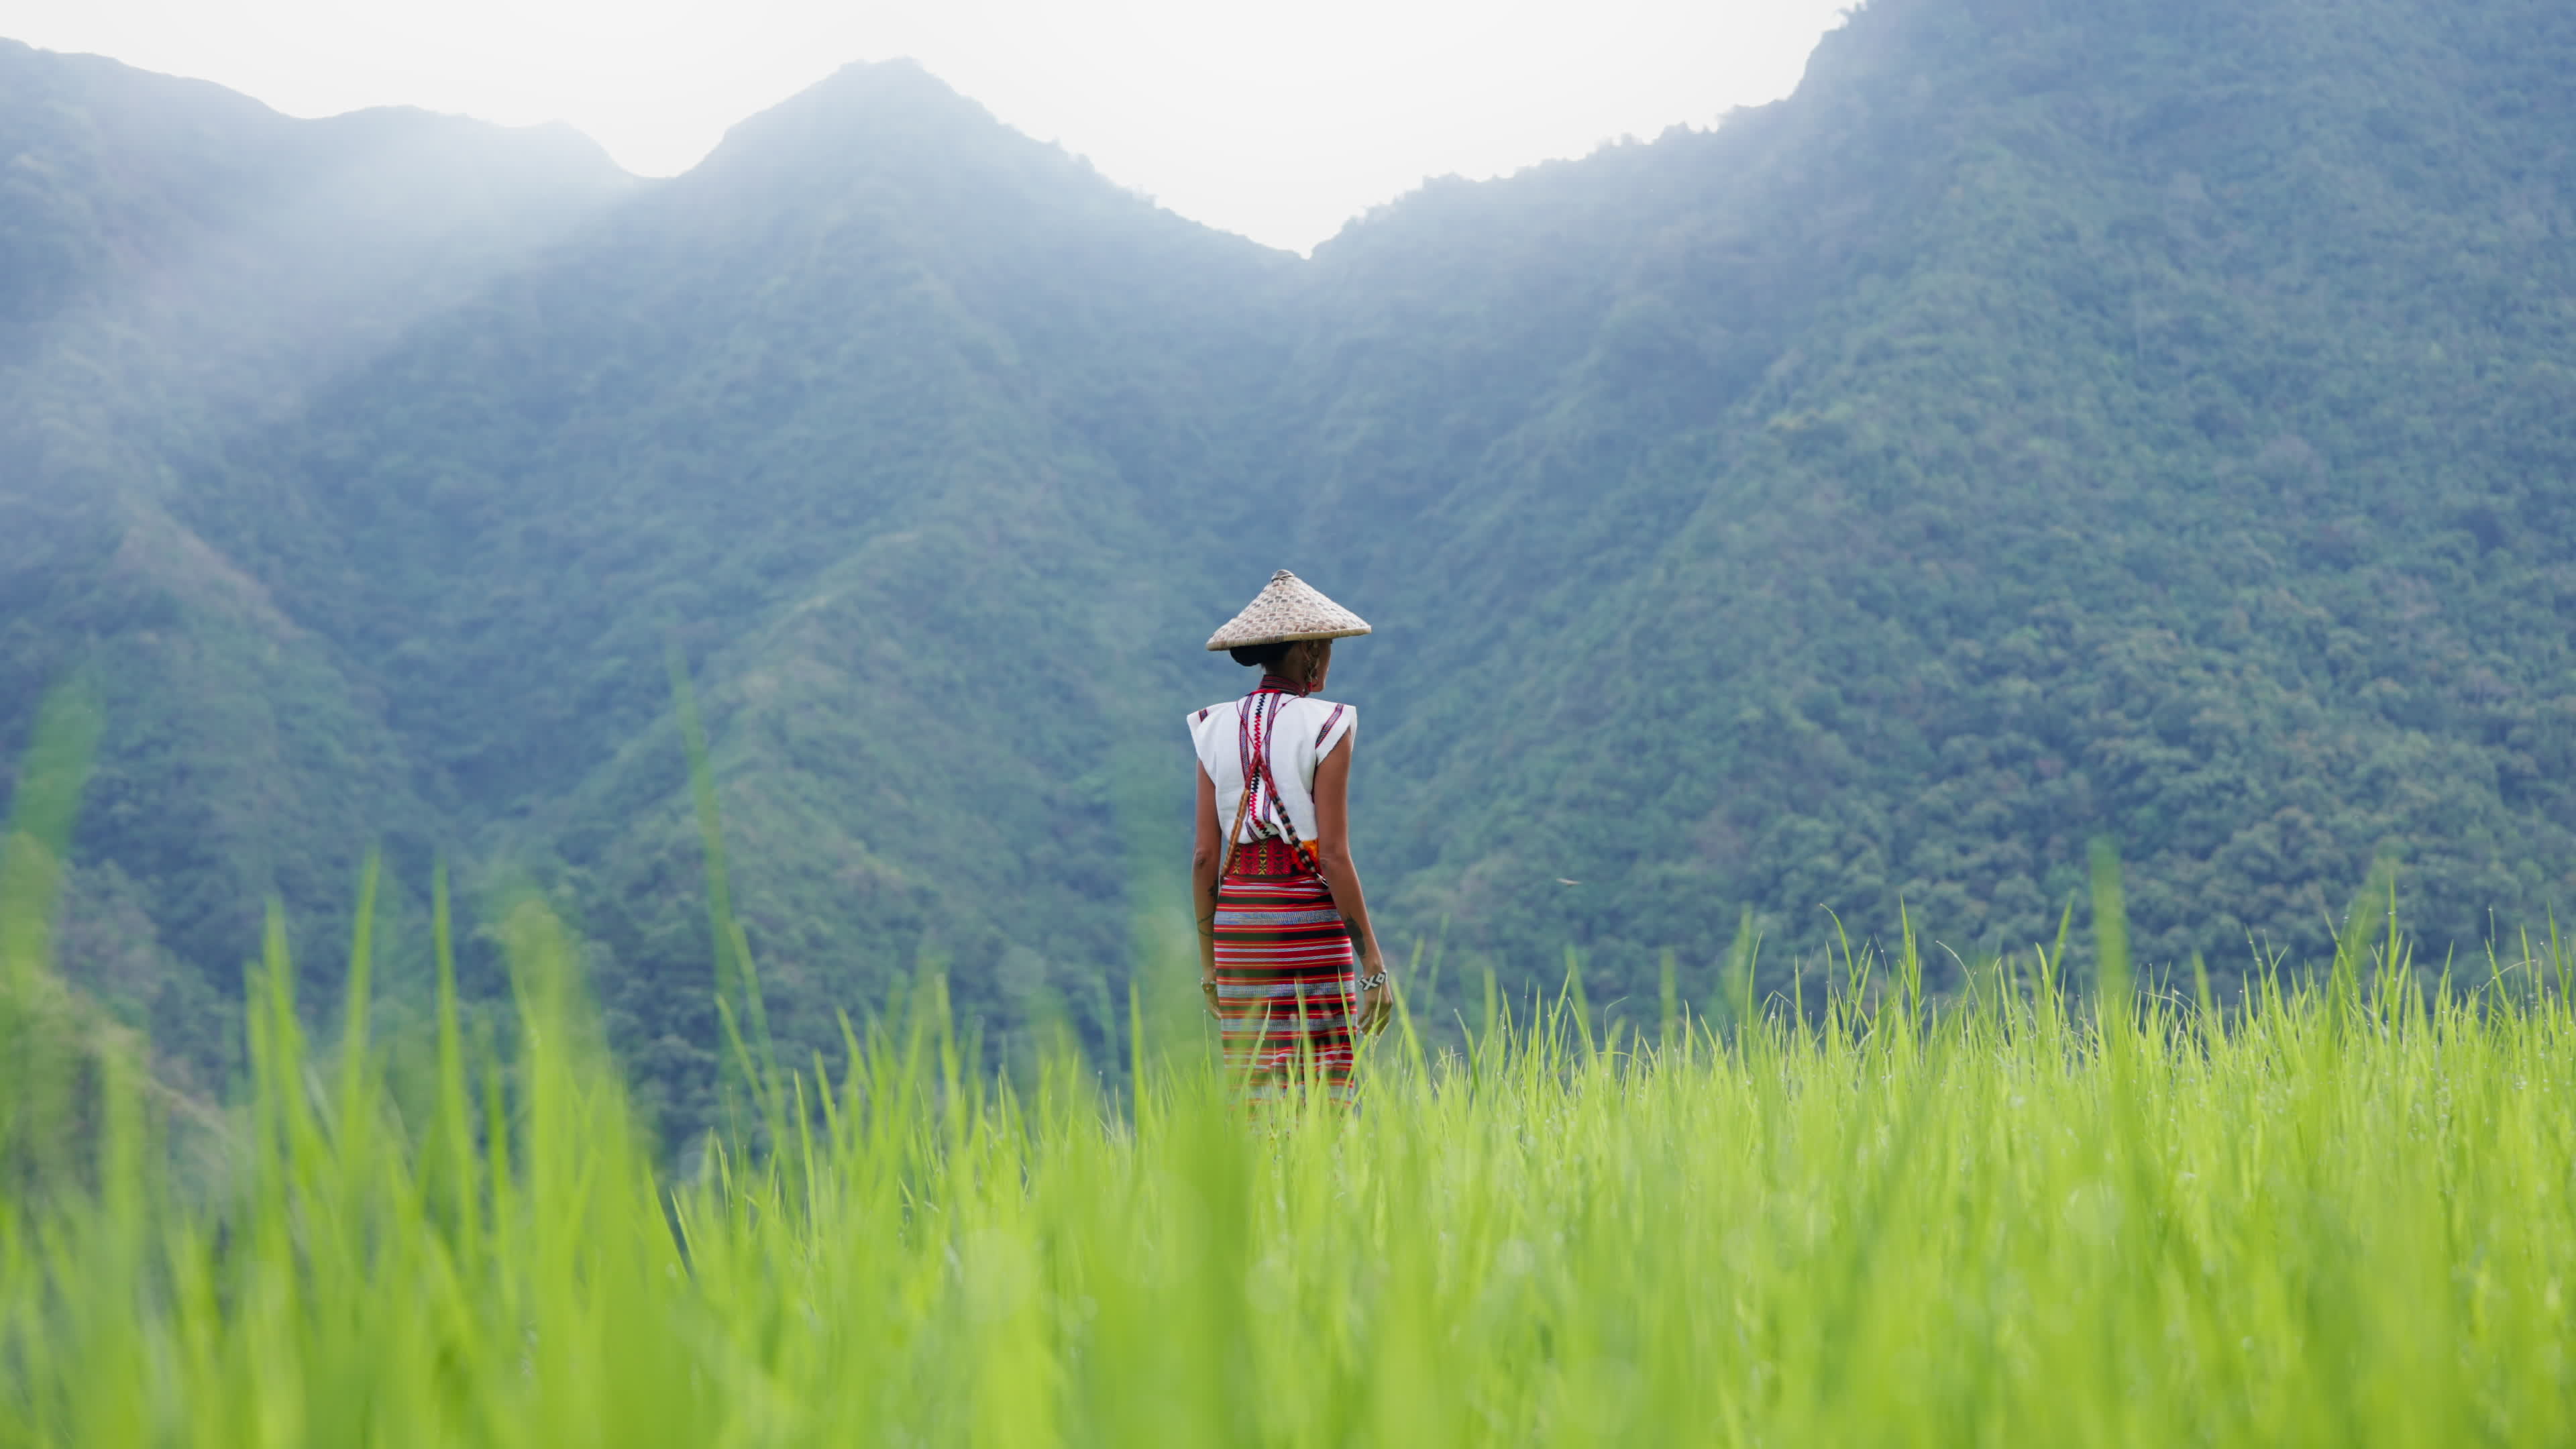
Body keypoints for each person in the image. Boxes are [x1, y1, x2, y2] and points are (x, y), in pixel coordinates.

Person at [1188, 570, 1391, 1107]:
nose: (1327, 657)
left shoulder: (1211, 727)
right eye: (1325, 646)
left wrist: (1210, 965)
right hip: (1307, 922)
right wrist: (1372, 965)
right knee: (1323, 1088)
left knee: (1254, 1085)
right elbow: (1334, 855)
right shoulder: (1329, 726)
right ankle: (1319, 1189)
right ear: (1306, 652)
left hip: (1239, 928)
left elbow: (1206, 857)